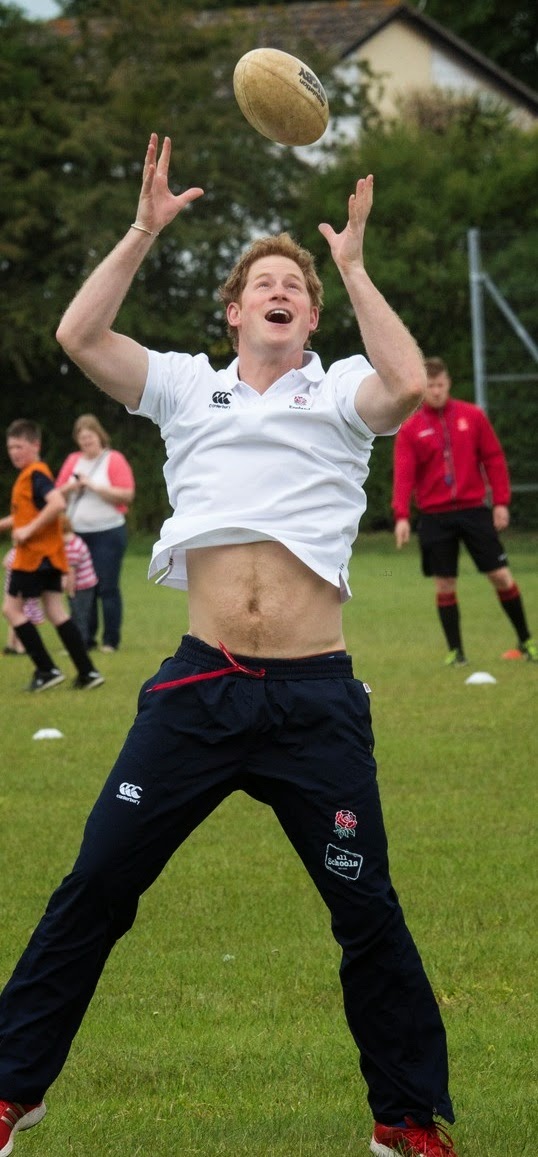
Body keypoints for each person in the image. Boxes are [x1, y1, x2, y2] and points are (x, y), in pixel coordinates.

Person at [0, 134, 458, 1157]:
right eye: (266, 283)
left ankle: (405, 1121)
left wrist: (351, 264)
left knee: (366, 911)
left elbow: (399, 378)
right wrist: (140, 228)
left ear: (309, 311)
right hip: (199, 685)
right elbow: (79, 330)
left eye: (296, 283)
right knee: (95, 885)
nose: (281, 290)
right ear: (235, 310)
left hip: (314, 700)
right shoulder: (180, 386)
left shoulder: (338, 391)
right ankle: (10, 1090)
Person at [392, 356, 537, 666]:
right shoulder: (411, 429)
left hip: (474, 510)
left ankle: (526, 641)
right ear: (422, 388)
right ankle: (456, 653)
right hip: (435, 517)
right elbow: (404, 474)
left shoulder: (473, 417)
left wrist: (500, 502)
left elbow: (494, 459)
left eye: (440, 385)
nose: (436, 391)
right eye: (430, 386)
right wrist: (401, 515)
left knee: (500, 575)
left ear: (448, 383)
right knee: (445, 583)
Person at [0, 419, 105, 692]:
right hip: (50, 556)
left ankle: (46, 669)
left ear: (35, 445)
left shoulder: (35, 474)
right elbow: (31, 512)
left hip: (33, 557)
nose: (14, 452)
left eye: (19, 446)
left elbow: (56, 503)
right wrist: (10, 524)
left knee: (11, 609)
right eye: (10, 447)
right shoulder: (30, 476)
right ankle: (88, 672)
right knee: (55, 610)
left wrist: (27, 532)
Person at [55, 414, 135, 652]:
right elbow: (56, 492)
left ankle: (110, 640)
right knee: (79, 587)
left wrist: (94, 486)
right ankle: (83, 639)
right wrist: (72, 486)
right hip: (77, 535)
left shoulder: (114, 459)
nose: (86, 442)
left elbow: (126, 494)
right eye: (81, 438)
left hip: (108, 533)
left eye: (89, 437)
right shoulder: (73, 460)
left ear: (99, 435)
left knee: (106, 586)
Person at [60, 513, 98, 648]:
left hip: (81, 587)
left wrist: (69, 592)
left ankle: (80, 644)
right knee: (80, 615)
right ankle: (82, 641)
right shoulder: (74, 541)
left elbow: (71, 573)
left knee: (79, 615)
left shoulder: (72, 548)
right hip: (84, 584)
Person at [2, 548, 45, 655]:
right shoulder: (27, 555)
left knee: (14, 619)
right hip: (25, 593)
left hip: (11, 592)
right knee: (24, 619)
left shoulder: (13, 552)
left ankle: (10, 645)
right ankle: (21, 647)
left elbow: (5, 563)